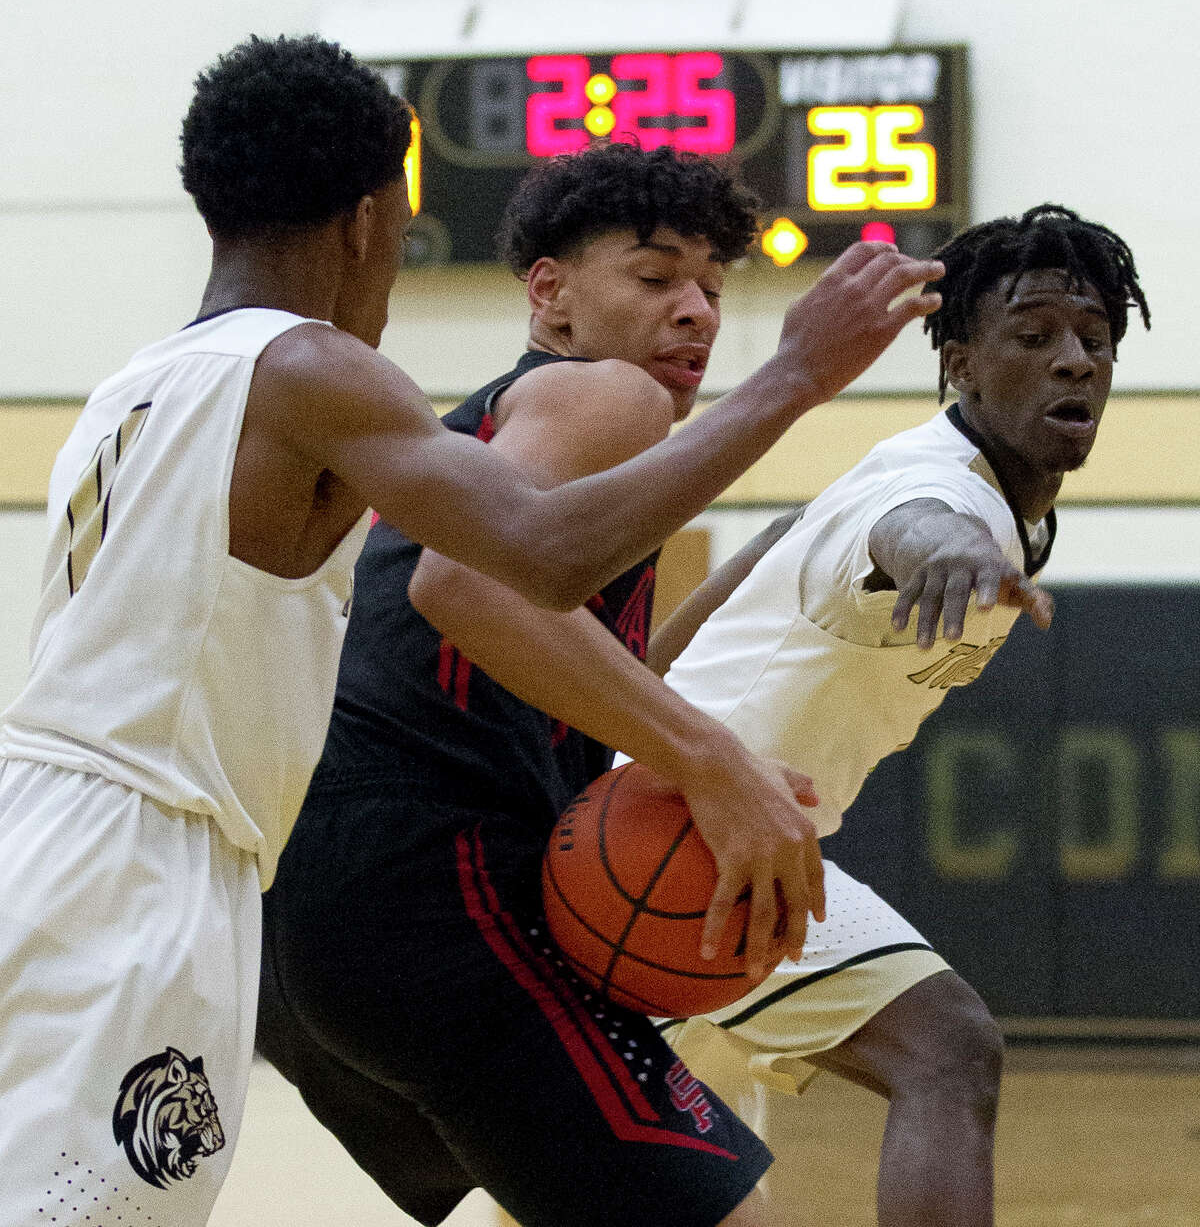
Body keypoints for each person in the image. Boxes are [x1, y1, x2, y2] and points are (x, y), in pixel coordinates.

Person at [0, 36, 936, 1227]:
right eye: (395, 226)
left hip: (60, 832)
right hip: (156, 858)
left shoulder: (136, 384)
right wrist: (794, 373)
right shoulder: (319, 370)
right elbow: (523, 562)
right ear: (364, 220)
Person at [257, 140, 944, 1227]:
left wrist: (698, 661)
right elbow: (465, 590)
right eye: (656, 275)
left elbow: (529, 647)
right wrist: (712, 761)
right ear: (551, 294)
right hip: (434, 887)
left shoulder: (497, 434)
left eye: (714, 289)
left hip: (313, 911)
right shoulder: (603, 393)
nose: (697, 312)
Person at [640, 204, 1152, 1226]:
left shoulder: (993, 497)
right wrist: (947, 550)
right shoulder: (934, 486)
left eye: (1093, 339)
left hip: (723, 849)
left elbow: (785, 536)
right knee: (947, 1047)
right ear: (960, 360)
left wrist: (633, 685)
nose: (1072, 362)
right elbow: (904, 525)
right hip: (683, 849)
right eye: (1035, 334)